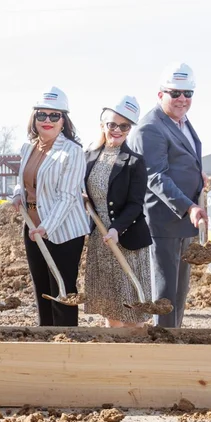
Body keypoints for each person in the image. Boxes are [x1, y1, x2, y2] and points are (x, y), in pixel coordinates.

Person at [135, 61, 206, 328]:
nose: (182, 99)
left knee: (178, 290)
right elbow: (155, 176)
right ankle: (163, 341)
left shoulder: (181, 122)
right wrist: (189, 206)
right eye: (175, 93)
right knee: (164, 292)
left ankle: (173, 337)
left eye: (188, 93)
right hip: (164, 221)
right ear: (160, 94)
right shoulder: (150, 127)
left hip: (183, 222)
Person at [16, 87, 90, 326]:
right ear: (34, 117)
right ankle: (46, 336)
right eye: (42, 115)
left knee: (62, 289)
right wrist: (17, 195)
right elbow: (25, 181)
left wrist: (46, 227)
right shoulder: (28, 147)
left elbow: (67, 197)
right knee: (41, 288)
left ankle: (66, 337)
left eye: (54, 115)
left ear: (63, 120)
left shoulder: (72, 152)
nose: (47, 120)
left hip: (63, 231)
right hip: (33, 227)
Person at [83, 96, 153, 327]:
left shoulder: (134, 162)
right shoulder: (88, 156)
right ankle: (112, 346)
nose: (117, 130)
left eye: (124, 126)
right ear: (102, 125)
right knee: (110, 305)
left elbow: (135, 204)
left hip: (126, 239)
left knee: (132, 308)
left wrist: (116, 229)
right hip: (100, 239)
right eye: (112, 124)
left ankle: (136, 347)